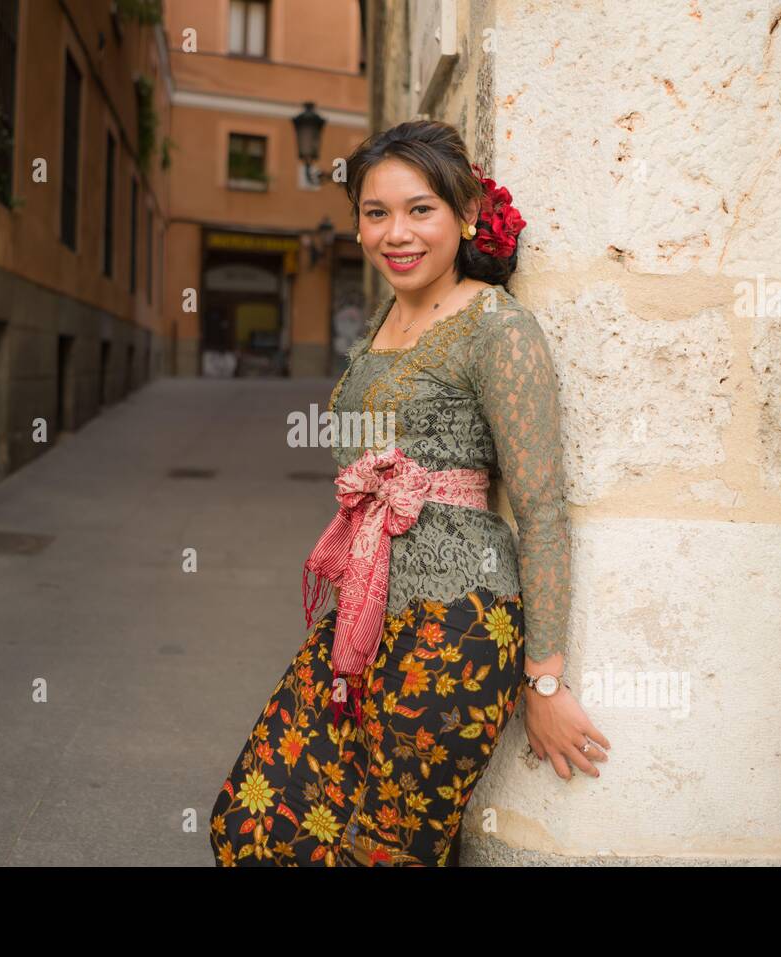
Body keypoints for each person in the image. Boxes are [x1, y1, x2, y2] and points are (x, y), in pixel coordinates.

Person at [209, 119, 610, 867]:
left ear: (464, 215)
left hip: (457, 630)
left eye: (420, 209)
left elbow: (544, 508)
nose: (398, 232)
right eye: (376, 211)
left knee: (388, 851)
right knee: (252, 822)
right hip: (363, 620)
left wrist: (545, 679)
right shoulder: (383, 321)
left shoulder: (497, 329)